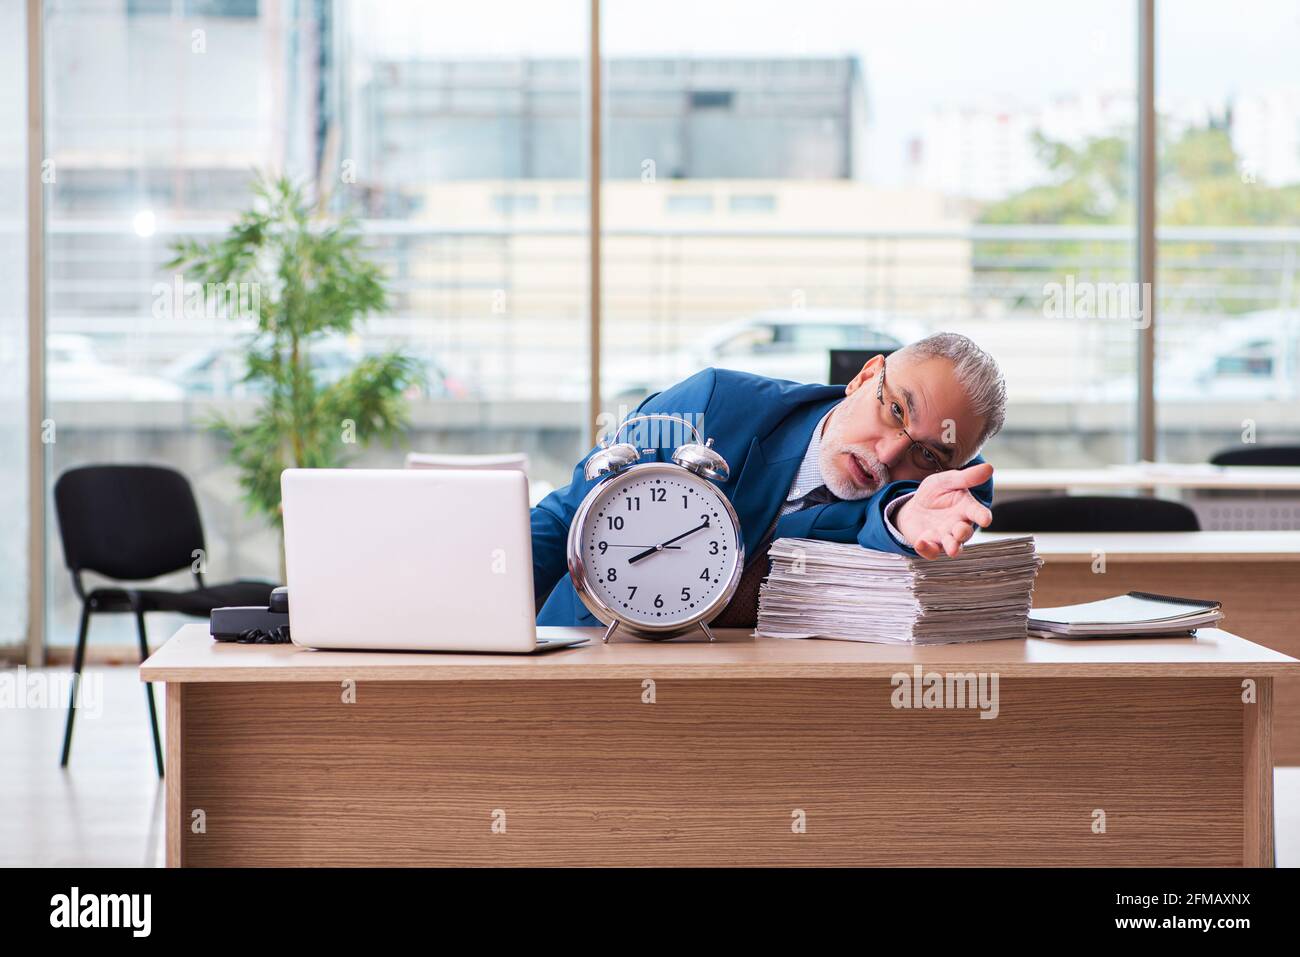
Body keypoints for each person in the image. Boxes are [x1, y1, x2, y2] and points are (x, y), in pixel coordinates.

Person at [531, 331, 1008, 627]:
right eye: (896, 410)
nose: (887, 454)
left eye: (926, 453)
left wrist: (903, 516)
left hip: (753, 711)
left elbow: (907, 508)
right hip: (586, 653)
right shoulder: (712, 403)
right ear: (865, 377)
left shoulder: (944, 494)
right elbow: (570, 514)